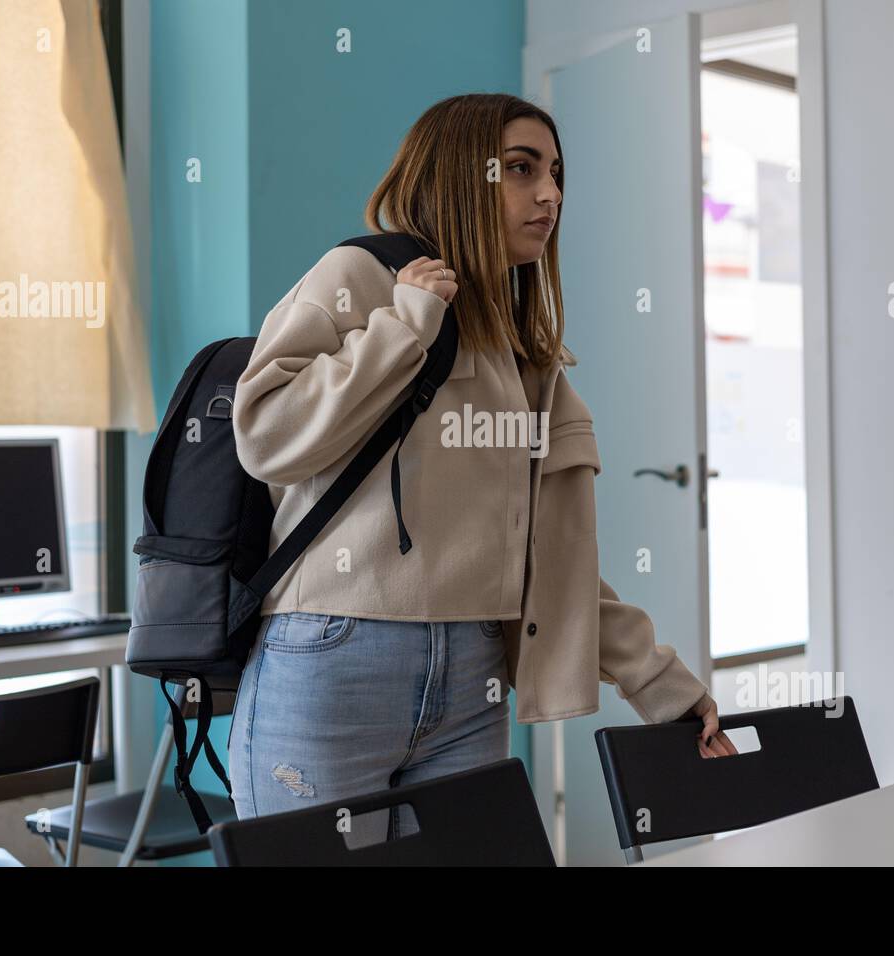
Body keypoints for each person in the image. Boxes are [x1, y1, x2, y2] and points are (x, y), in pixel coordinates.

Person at [228, 92, 737, 842]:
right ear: (463, 175)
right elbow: (267, 435)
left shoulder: (515, 348)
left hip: (473, 673)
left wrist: (658, 682)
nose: (551, 194)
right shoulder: (363, 277)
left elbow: (550, 556)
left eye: (556, 173)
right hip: (336, 657)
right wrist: (404, 325)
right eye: (523, 169)